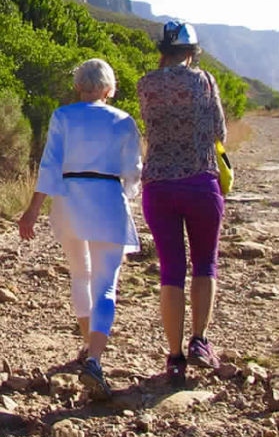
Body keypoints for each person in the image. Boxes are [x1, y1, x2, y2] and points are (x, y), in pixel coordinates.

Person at [17, 58, 142, 400]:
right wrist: (129, 193)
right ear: (109, 89)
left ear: (78, 86)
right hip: (107, 199)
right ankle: (95, 359)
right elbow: (133, 171)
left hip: (70, 199)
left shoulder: (63, 116)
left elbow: (49, 165)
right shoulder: (123, 120)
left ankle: (88, 347)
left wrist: (32, 211)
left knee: (79, 275)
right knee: (106, 283)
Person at [137, 20, 226, 387]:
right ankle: (199, 342)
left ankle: (173, 357)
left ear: (163, 50)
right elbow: (219, 132)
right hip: (200, 181)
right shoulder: (203, 80)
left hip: (158, 186)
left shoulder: (145, 83)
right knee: (204, 263)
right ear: (192, 52)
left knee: (171, 270)